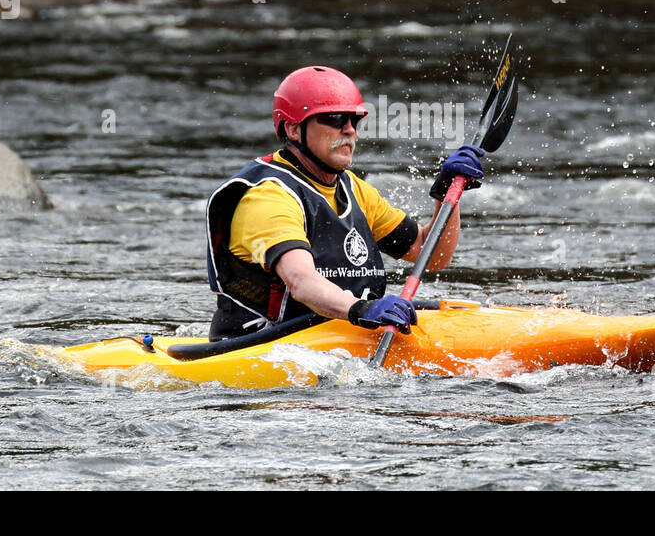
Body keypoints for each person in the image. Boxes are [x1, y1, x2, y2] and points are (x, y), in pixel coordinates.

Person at [205, 65, 484, 340]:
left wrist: (447, 194)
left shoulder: (354, 189)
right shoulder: (268, 196)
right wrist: (363, 309)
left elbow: (431, 254)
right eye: (335, 118)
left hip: (340, 330)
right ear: (292, 129)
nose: (349, 130)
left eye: (354, 120)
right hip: (267, 346)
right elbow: (301, 282)